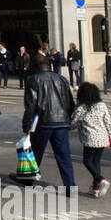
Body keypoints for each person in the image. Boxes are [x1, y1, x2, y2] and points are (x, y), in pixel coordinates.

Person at [22, 50, 76, 191]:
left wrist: (27, 125)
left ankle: (29, 180)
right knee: (64, 155)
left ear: (35, 66)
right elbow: (70, 101)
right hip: (62, 121)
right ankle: (70, 186)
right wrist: (69, 118)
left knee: (36, 153)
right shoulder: (61, 78)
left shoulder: (33, 80)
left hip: (43, 121)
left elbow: (30, 106)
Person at [70, 82, 111, 197]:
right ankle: (96, 188)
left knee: (87, 161)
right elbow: (108, 122)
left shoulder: (82, 108)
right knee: (96, 162)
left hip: (90, 138)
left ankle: (100, 180)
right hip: (103, 137)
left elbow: (73, 123)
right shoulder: (102, 105)